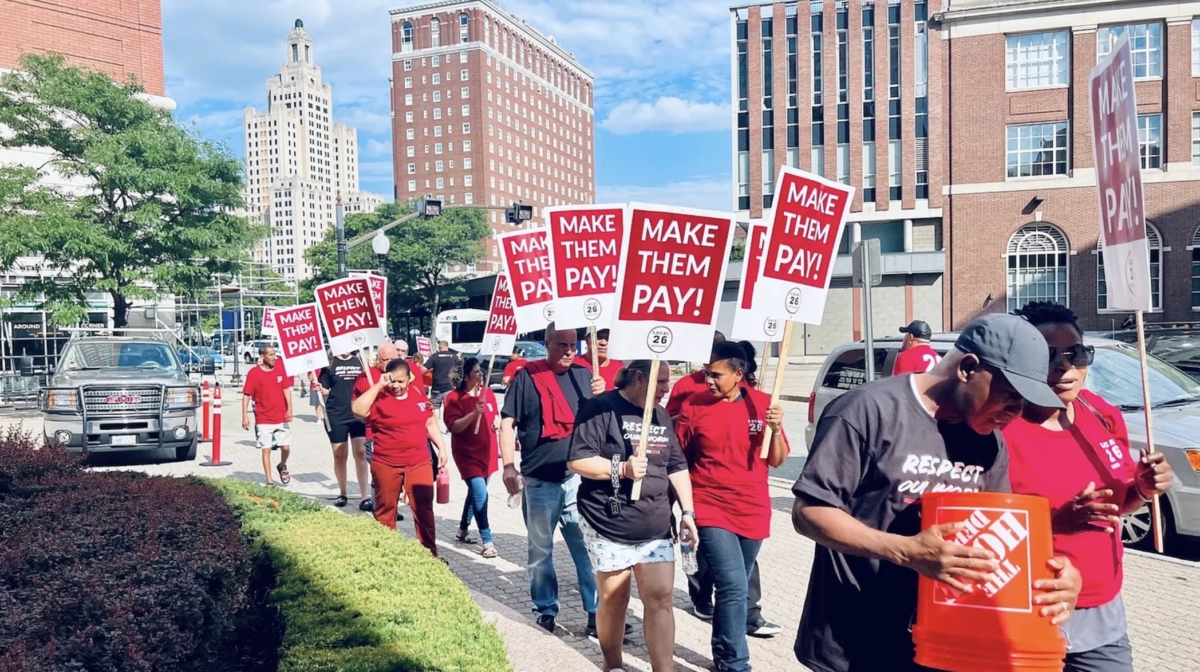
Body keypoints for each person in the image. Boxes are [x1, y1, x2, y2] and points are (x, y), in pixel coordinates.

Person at [791, 313, 1085, 672]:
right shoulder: (868, 410)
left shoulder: (989, 441)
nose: (1016, 412)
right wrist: (905, 551)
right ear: (968, 368)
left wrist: (1055, 577)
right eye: (1009, 396)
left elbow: (1001, 539)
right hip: (854, 641)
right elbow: (809, 512)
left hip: (941, 644)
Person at [1004, 302, 1174, 671]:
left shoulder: (1101, 413)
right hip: (1029, 607)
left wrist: (1142, 489)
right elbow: (977, 530)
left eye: (1076, 353)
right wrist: (1055, 524)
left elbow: (1118, 503)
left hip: (1102, 609)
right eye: (1048, 356)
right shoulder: (1000, 428)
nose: (1064, 366)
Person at [568, 359, 698, 672]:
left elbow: (676, 466)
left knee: (660, 597)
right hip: (608, 523)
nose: (667, 389)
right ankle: (613, 663)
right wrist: (621, 468)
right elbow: (578, 460)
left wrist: (687, 512)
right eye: (661, 381)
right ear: (639, 378)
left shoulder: (661, 415)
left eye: (667, 381)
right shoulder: (601, 408)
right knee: (615, 598)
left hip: (655, 523)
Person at [675, 341, 788, 672]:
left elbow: (778, 460)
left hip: (753, 508)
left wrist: (775, 430)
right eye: (707, 374)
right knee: (733, 585)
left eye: (716, 375)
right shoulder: (694, 405)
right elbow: (678, 461)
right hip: (709, 506)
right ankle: (734, 662)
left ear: (738, 374)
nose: (708, 380)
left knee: (736, 585)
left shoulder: (763, 405)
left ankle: (726, 651)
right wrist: (680, 509)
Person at [500, 322, 608, 636]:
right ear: (547, 343)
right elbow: (506, 423)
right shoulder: (527, 377)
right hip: (539, 480)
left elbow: (601, 424)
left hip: (578, 479)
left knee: (586, 548)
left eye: (573, 345)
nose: (569, 351)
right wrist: (508, 466)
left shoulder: (586, 376)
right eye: (562, 344)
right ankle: (545, 609)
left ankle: (597, 613)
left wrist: (602, 397)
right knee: (540, 550)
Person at [351, 358, 447, 557]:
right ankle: (387, 555)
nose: (396, 386)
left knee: (423, 509)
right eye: (392, 381)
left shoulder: (418, 393)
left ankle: (430, 554)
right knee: (385, 510)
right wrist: (379, 385)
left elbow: (430, 422)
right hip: (386, 462)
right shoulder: (379, 396)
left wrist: (442, 448)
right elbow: (357, 410)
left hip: (419, 461)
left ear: (409, 379)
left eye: (401, 381)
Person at [444, 357, 501, 559]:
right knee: (481, 494)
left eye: (480, 370)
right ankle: (487, 540)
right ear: (466, 376)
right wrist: (473, 415)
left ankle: (462, 529)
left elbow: (495, 414)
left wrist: (497, 421)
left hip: (487, 453)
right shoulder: (453, 398)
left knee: (476, 493)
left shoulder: (488, 393)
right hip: (467, 455)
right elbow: (453, 427)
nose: (480, 374)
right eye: (476, 371)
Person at [355, 342, 409, 517]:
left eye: (392, 359)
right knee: (380, 473)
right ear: (378, 359)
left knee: (396, 474)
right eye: (384, 360)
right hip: (375, 434)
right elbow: (356, 406)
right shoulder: (366, 377)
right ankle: (380, 508)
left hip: (400, 434)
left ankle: (391, 507)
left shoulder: (404, 374)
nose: (388, 363)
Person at [317, 351, 371, 508]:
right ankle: (343, 492)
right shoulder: (329, 364)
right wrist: (321, 389)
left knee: (361, 452)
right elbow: (326, 389)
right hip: (336, 415)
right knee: (340, 455)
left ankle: (364, 496)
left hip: (357, 414)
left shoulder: (360, 361)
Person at [241, 345, 294, 487]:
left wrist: (290, 409)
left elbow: (286, 389)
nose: (274, 357)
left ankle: (282, 465)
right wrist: (245, 415)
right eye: (270, 355)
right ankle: (269, 481)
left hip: (280, 416)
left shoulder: (279, 370)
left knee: (286, 447)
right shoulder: (254, 373)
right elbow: (246, 394)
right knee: (266, 449)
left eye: (274, 354)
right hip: (263, 418)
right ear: (262, 356)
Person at [666, 331, 725, 417]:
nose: (714, 356)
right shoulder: (684, 384)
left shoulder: (737, 384)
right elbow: (669, 419)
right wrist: (693, 413)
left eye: (720, 351)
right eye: (710, 351)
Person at [427, 340, 459, 407]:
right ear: (447, 346)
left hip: (437, 388)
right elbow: (459, 370)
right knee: (449, 407)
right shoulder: (454, 357)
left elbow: (424, 368)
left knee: (435, 407)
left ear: (439, 347)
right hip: (449, 387)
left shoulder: (434, 357)